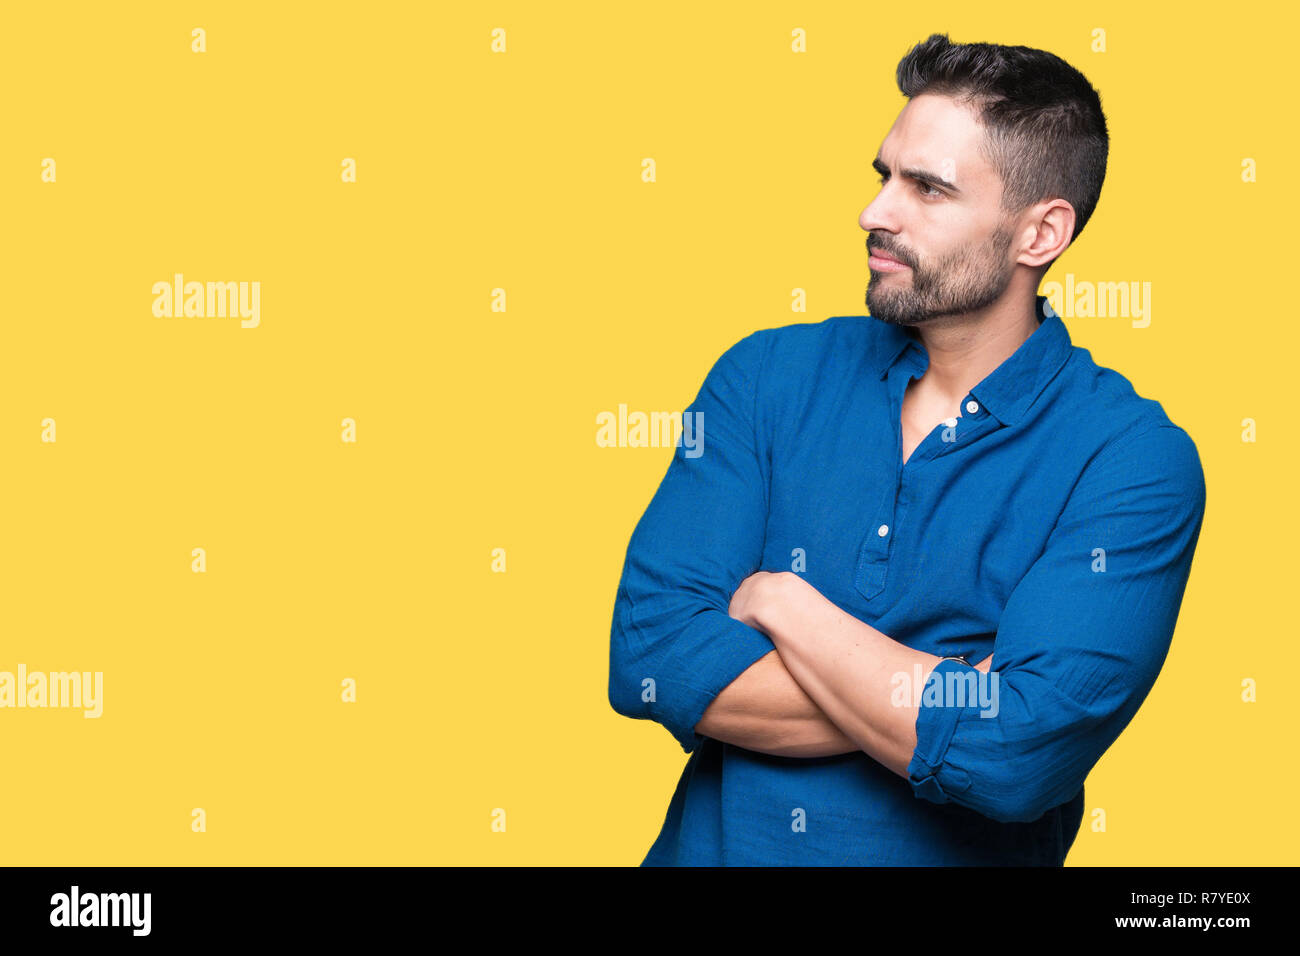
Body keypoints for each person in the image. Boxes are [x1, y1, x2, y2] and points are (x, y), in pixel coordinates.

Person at [607, 33, 1206, 865]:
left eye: (928, 188)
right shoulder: (766, 377)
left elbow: (1015, 758)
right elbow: (652, 655)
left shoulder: (1133, 460)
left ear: (1040, 234)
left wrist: (785, 602)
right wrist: (958, 686)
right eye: (884, 175)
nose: (876, 213)